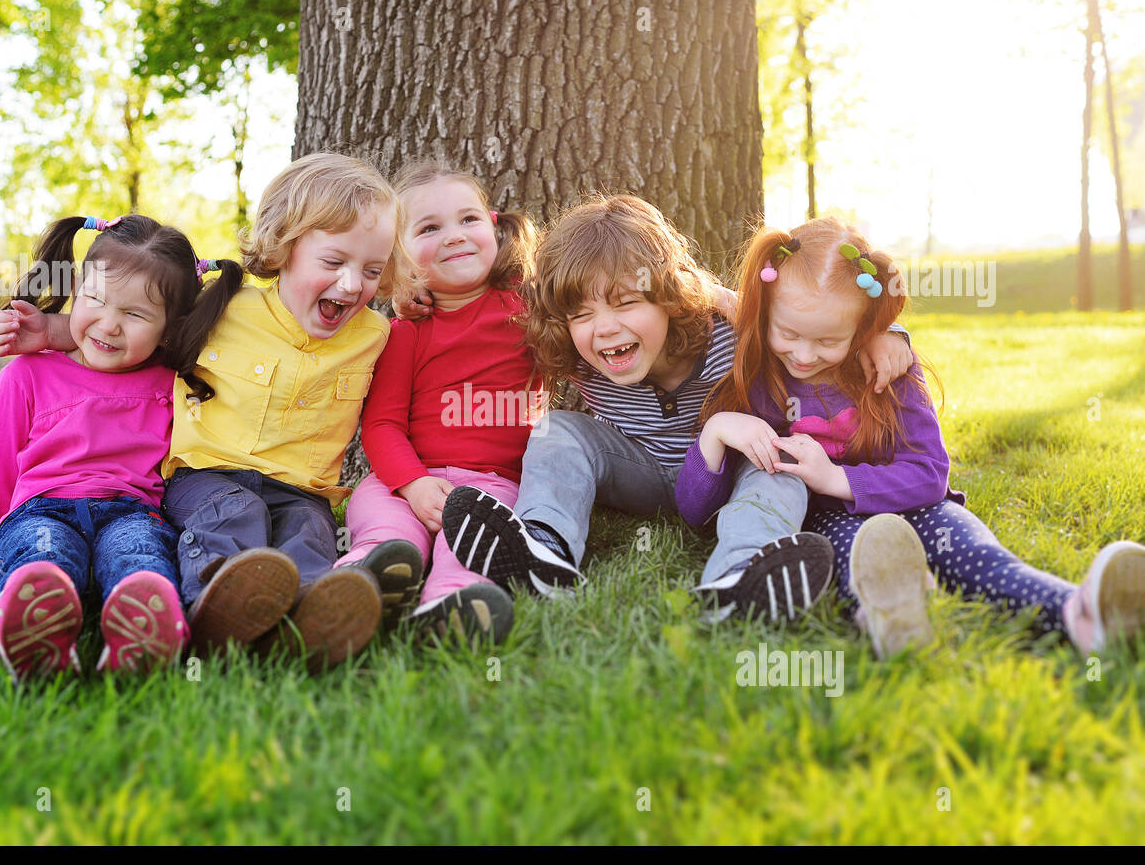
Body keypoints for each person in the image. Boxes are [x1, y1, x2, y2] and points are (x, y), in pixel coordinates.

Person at [0, 154, 420, 670]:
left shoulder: (375, 335)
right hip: (209, 476)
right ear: (284, 248)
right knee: (234, 515)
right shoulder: (225, 307)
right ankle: (217, 604)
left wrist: (426, 295)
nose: (351, 285)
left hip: (301, 489)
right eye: (333, 263)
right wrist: (56, 332)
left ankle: (310, 616)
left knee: (310, 531)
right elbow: (138, 324)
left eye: (372, 271)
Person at [678, 216, 1145, 657]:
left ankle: (1077, 612)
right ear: (766, 316)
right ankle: (891, 621)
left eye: (827, 341)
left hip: (920, 507)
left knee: (977, 556)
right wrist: (717, 434)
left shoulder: (889, 371)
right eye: (789, 333)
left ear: (864, 328)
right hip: (827, 522)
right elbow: (695, 510)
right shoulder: (754, 376)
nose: (803, 354)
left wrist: (835, 478)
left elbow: (929, 474)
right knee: (858, 557)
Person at [430, 195, 914, 620]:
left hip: (731, 475)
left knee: (780, 462)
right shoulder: (574, 353)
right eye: (581, 314)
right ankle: (543, 547)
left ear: (668, 296)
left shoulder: (729, 327)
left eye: (625, 303)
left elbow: (807, 319)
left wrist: (884, 333)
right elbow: (488, 312)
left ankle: (742, 573)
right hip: (639, 472)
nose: (603, 328)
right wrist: (418, 288)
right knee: (556, 429)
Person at [0, 214, 196, 680]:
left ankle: (143, 633)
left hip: (131, 512)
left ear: (170, 327)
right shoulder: (26, 375)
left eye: (135, 314)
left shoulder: (175, 386)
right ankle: (34, 629)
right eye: (95, 300)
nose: (108, 325)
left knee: (141, 556)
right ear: (76, 291)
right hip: (42, 511)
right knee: (41, 555)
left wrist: (53, 329)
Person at [335, 160, 542, 644]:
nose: (454, 236)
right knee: (387, 532)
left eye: (469, 219)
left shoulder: (529, 310)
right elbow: (382, 426)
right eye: (429, 228)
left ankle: (452, 603)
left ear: (493, 225)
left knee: (470, 544)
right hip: (400, 481)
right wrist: (413, 484)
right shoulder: (404, 332)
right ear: (400, 254)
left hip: (493, 485)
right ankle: (356, 584)